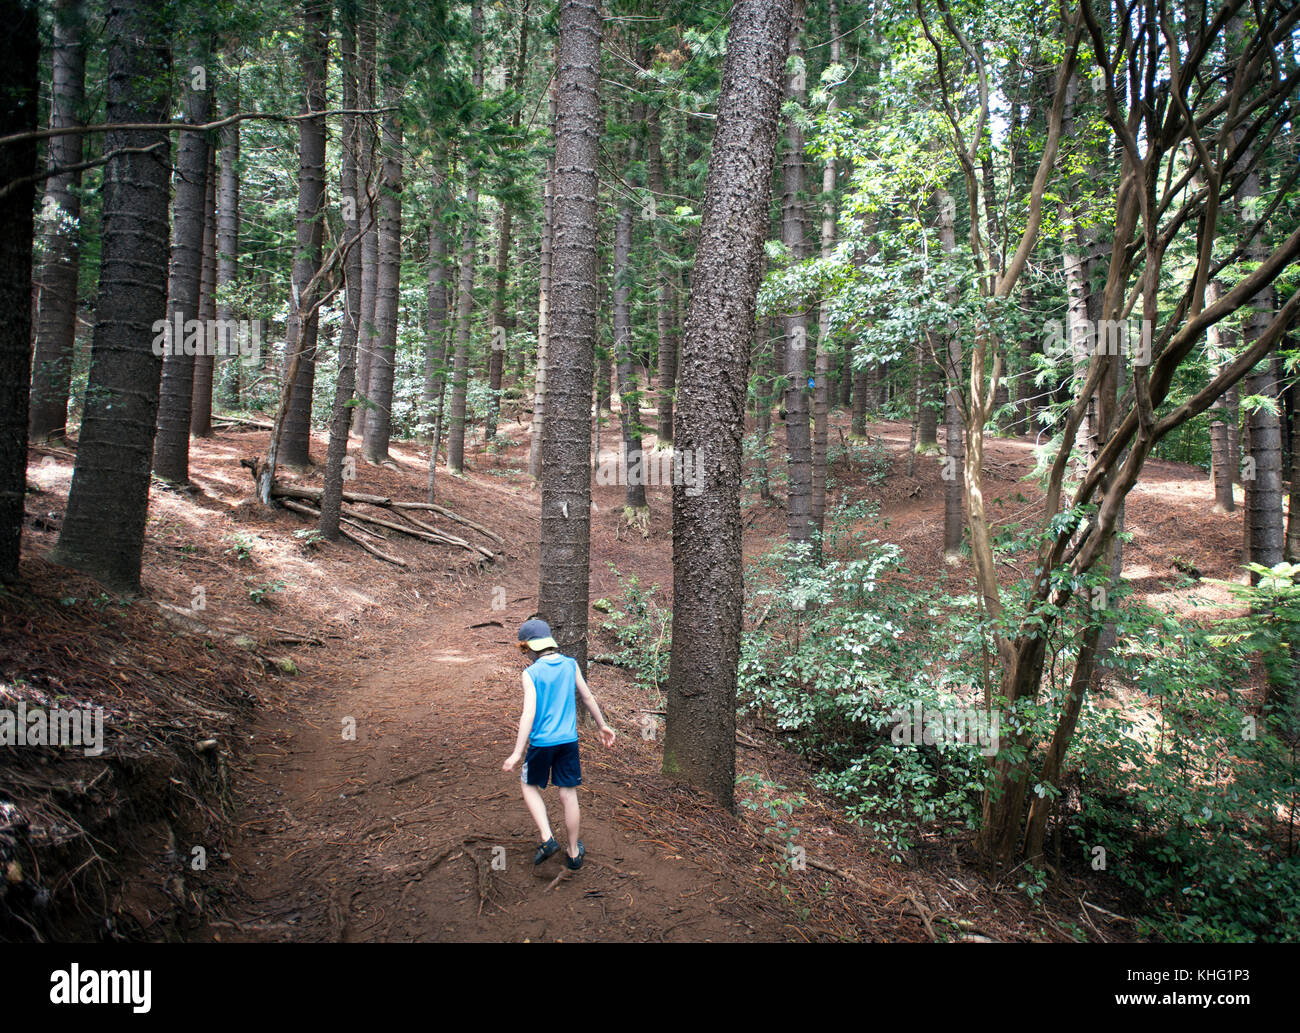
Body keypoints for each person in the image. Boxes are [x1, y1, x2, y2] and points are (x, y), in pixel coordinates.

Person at [502, 618, 616, 870]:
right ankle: (574, 853)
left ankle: (547, 838)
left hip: (542, 742)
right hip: (568, 741)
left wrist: (517, 752)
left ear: (530, 647)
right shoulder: (570, 664)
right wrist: (602, 725)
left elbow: (528, 714)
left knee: (529, 784)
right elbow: (587, 696)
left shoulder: (530, 673)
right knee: (568, 793)